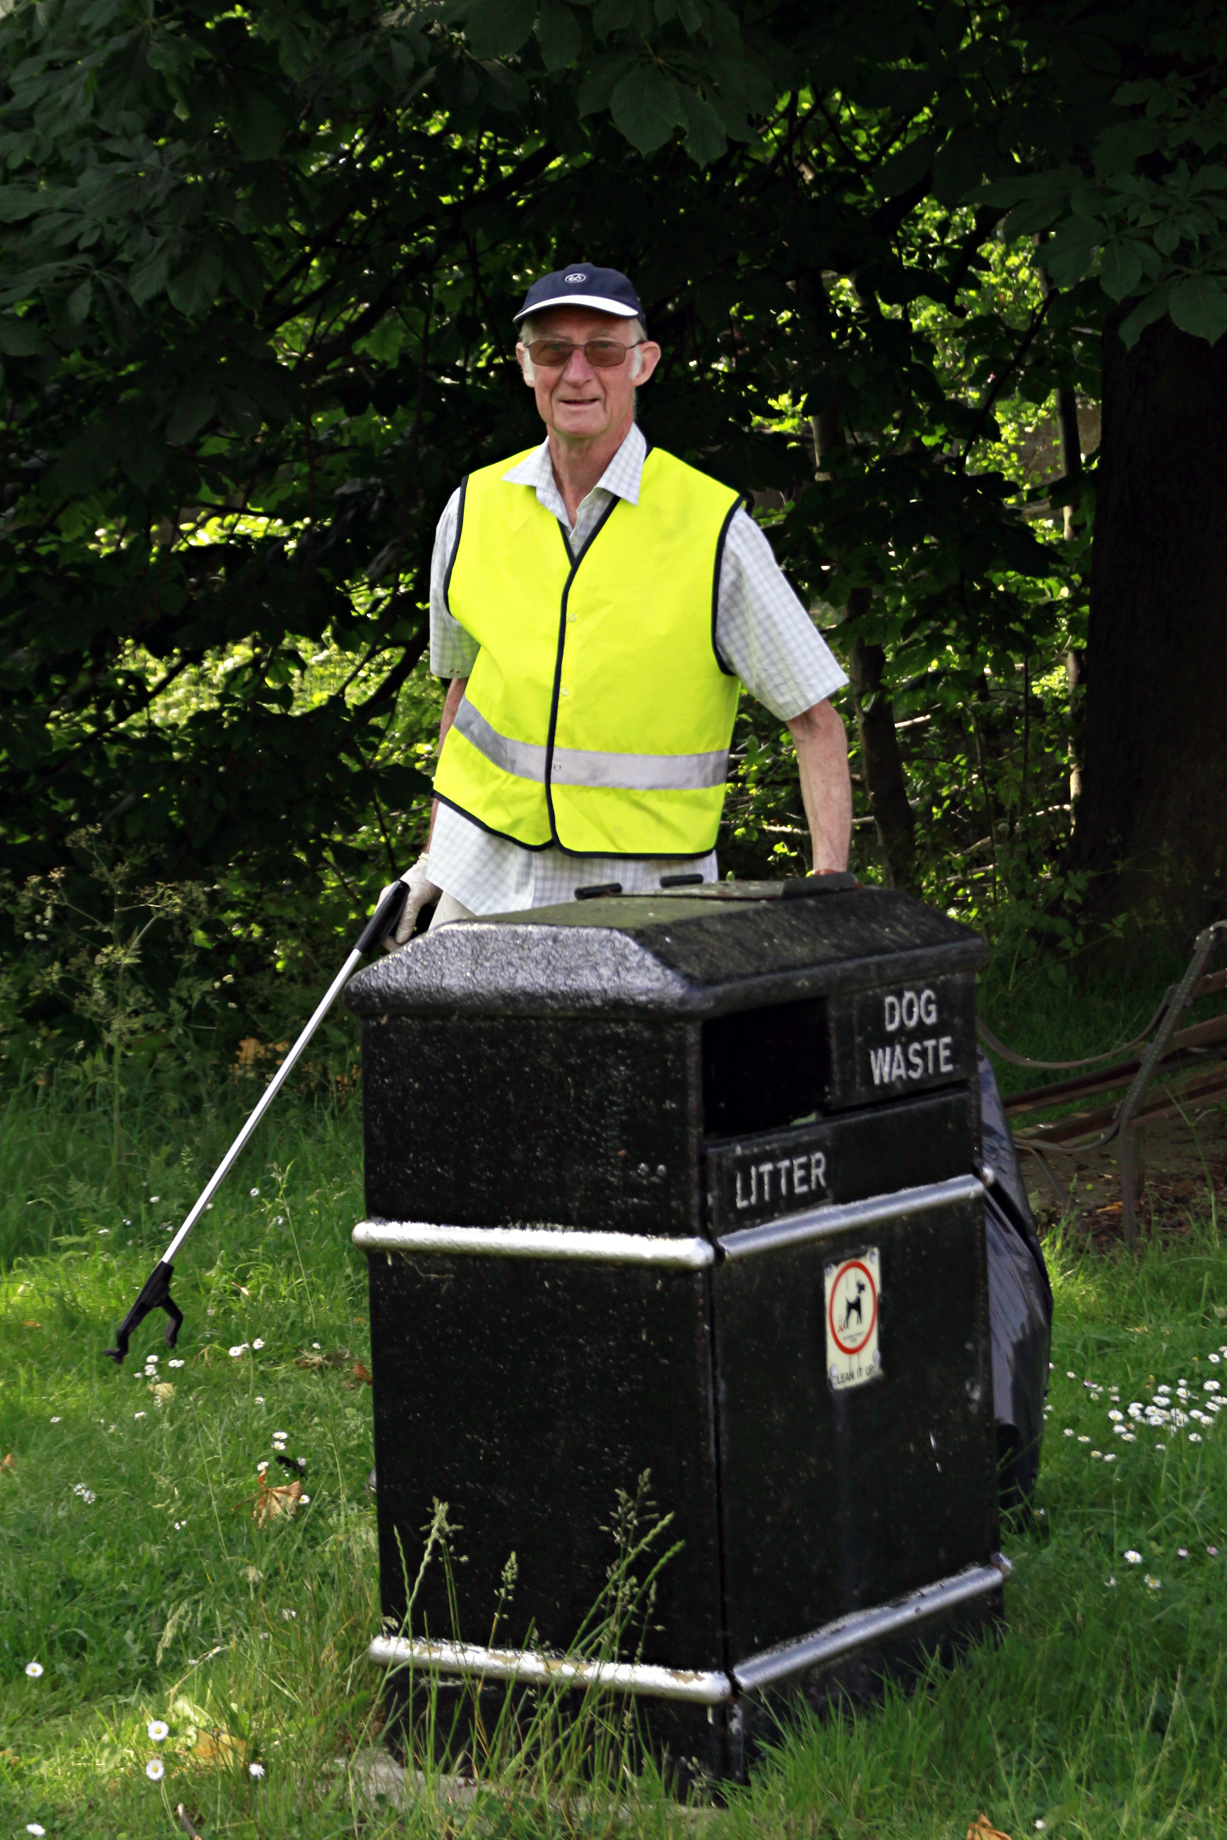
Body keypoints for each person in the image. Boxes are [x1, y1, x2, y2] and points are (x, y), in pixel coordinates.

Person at [383, 262, 852, 943]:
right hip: (482, 876)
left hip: (647, 896)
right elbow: (463, 693)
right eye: (552, 350)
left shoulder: (712, 527)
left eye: (602, 349)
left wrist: (827, 886)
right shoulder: (471, 508)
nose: (577, 373)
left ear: (642, 363)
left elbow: (813, 720)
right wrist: (434, 859)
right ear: (523, 365)